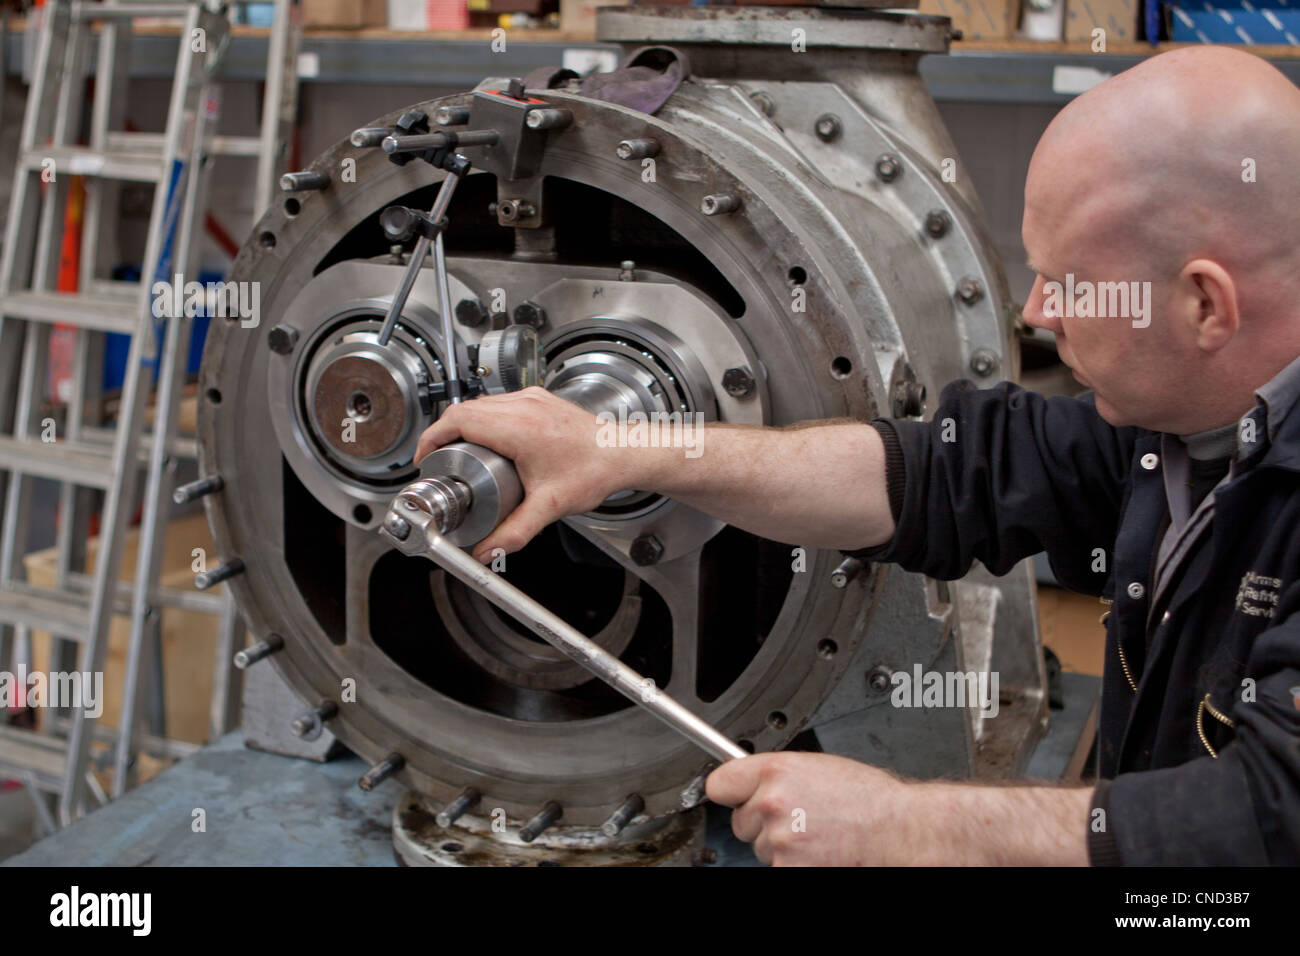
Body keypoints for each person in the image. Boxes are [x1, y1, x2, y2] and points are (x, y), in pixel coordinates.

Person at [414, 45, 1300, 865]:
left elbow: (1264, 816)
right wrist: (626, 448)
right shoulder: (1179, 430)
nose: (1038, 313)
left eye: (1067, 282)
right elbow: (945, 477)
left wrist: (905, 824)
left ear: (1205, 307)